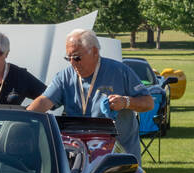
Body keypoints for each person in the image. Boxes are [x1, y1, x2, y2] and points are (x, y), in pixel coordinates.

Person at [27, 30, 155, 162]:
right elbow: (44, 101)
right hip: (79, 155)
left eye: (77, 57)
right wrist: (25, 118)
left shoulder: (120, 71)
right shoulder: (65, 76)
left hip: (119, 154)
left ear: (94, 52)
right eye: (68, 58)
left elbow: (148, 102)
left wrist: (126, 102)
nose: (72, 63)